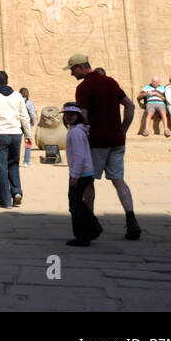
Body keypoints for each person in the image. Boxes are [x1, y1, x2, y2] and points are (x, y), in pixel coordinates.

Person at [68, 53, 142, 240]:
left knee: (88, 182)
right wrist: (123, 129)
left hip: (96, 142)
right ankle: (131, 220)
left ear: (82, 67)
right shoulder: (111, 82)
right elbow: (130, 106)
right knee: (118, 180)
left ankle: (90, 225)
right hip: (116, 140)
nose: (71, 74)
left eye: (72, 69)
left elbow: (83, 115)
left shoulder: (84, 87)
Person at [0, 70, 33, 208]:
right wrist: (28, 135)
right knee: (13, 164)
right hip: (16, 134)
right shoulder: (18, 96)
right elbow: (25, 117)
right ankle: (16, 192)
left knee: (1, 168)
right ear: (7, 80)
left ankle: (6, 201)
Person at [62, 102, 103, 247]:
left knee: (75, 205)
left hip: (80, 173)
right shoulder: (78, 130)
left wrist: (75, 176)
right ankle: (91, 228)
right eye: (66, 114)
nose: (68, 117)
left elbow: (79, 156)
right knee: (78, 203)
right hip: (84, 172)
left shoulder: (76, 133)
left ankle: (85, 234)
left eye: (71, 115)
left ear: (78, 116)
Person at [19, 87, 37, 166]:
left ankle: (15, 160)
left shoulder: (17, 102)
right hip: (27, 124)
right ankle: (26, 161)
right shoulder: (29, 102)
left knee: (17, 143)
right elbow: (32, 114)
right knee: (28, 142)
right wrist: (32, 123)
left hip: (18, 123)